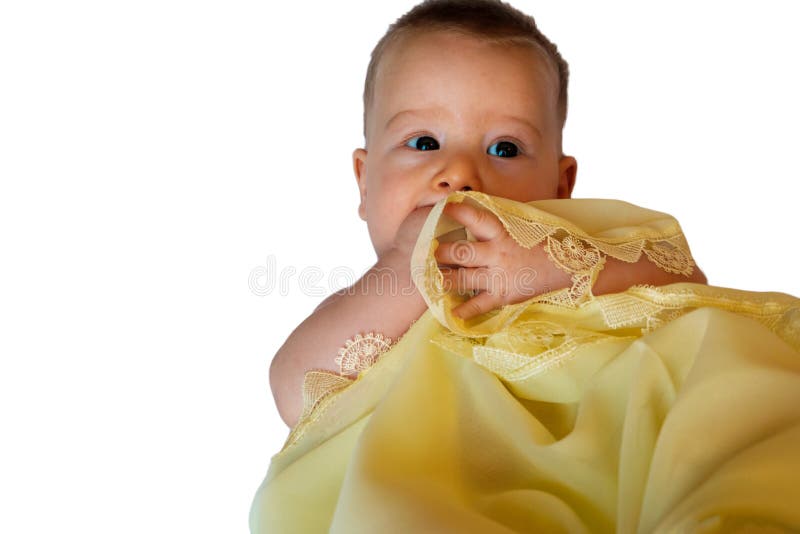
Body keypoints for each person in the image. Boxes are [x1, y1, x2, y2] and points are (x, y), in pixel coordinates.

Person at [250, 1, 800, 532]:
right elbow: (295, 394)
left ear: (561, 187)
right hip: (441, 475)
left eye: (505, 149)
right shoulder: (377, 305)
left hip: (617, 451)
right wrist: (405, 266)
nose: (460, 174)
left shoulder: (582, 243)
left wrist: (560, 263)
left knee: (721, 370)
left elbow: (684, 280)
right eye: (424, 142)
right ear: (364, 183)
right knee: (398, 504)